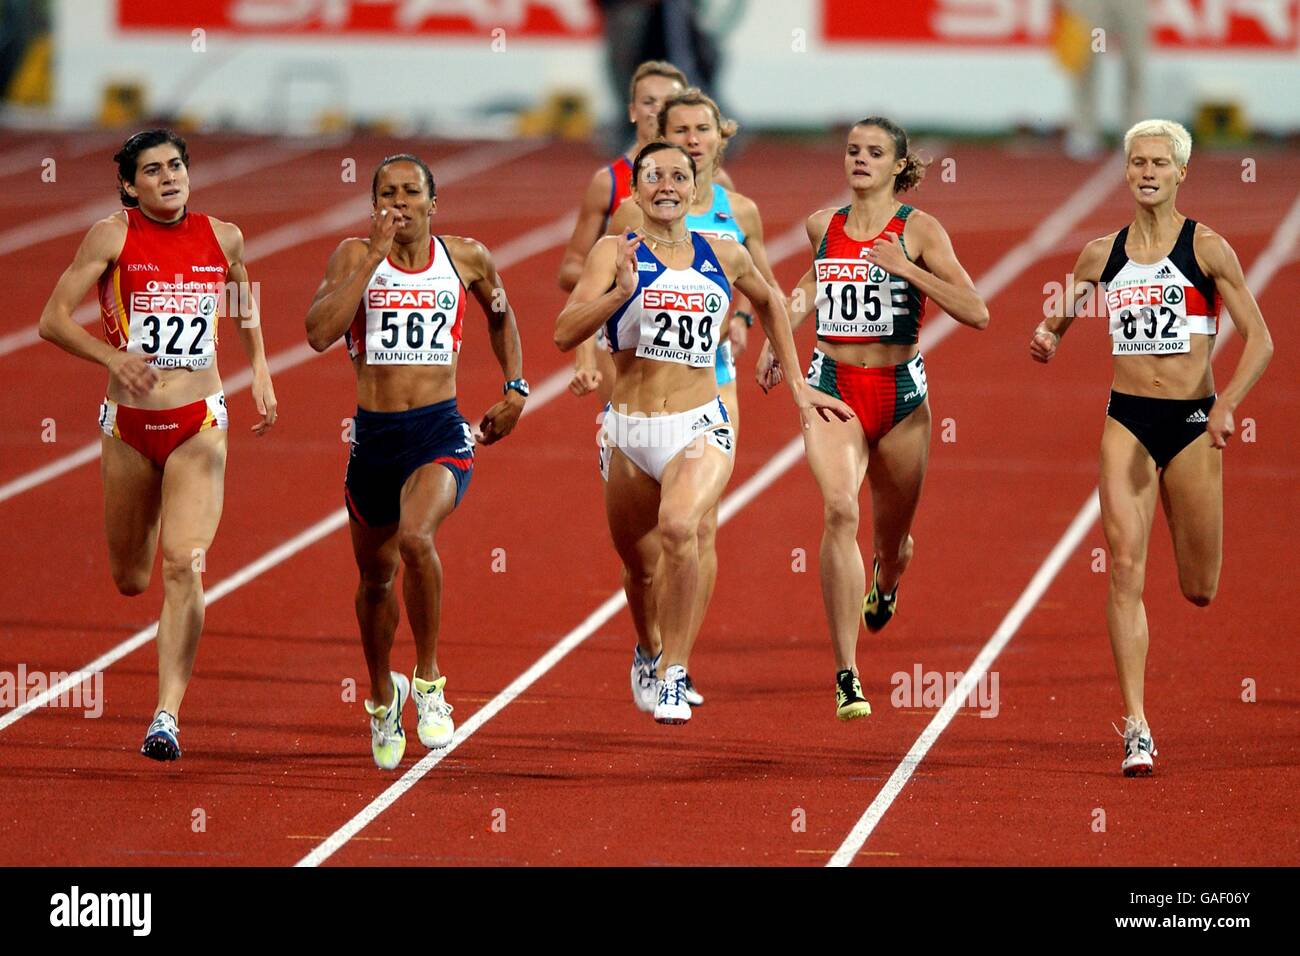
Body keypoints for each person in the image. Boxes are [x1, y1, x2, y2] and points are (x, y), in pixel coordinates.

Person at [555, 141, 853, 725]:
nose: (666, 185)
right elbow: (566, 332)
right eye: (653, 176)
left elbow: (771, 300)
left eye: (677, 176)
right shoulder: (613, 251)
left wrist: (796, 382)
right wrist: (617, 293)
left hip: (699, 422)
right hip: (628, 432)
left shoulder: (726, 252)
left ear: (695, 190)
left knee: (680, 526)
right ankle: (648, 651)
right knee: (639, 570)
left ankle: (674, 672)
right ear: (636, 190)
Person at [1030, 119, 1272, 776]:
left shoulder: (1209, 249)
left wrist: (1226, 407)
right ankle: (1136, 725)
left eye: (1158, 163)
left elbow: (1262, 340)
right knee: (1125, 569)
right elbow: (1062, 311)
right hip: (1128, 421)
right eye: (1137, 162)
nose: (1146, 172)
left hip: (1194, 421)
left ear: (1180, 172)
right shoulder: (1102, 253)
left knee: (1200, 588)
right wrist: (1049, 335)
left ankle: (1146, 701)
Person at [37, 128, 278, 761]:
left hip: (200, 420)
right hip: (128, 426)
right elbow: (52, 319)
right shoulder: (111, 236)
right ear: (128, 183)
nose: (169, 177)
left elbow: (242, 299)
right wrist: (109, 358)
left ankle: (166, 715)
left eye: (176, 166)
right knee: (130, 575)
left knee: (183, 563)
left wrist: (259, 367)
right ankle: (146, 571)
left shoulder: (223, 236)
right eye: (153, 170)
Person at [757, 117, 988, 722]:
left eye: (875, 152)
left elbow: (977, 310)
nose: (860, 159)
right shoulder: (822, 225)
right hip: (832, 386)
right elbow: (813, 284)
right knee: (839, 508)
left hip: (901, 399)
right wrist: (776, 343)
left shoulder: (920, 230)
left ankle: (885, 582)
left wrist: (907, 268)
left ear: (897, 166)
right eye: (853, 150)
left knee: (891, 540)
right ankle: (847, 674)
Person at [305, 154, 526, 770]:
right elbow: (319, 333)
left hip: (438, 430)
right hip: (374, 440)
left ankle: (428, 681)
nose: (399, 203)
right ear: (373, 203)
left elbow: (502, 314)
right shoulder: (353, 257)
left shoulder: (467, 258)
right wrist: (372, 259)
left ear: (435, 202)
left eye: (411, 192)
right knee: (374, 581)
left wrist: (516, 388)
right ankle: (382, 694)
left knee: (416, 538)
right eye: (386, 194)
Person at [606, 87, 782, 706]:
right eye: (676, 131)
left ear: (717, 137)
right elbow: (600, 292)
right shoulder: (640, 212)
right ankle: (651, 645)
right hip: (639, 394)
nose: (689, 141)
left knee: (695, 527)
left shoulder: (740, 213)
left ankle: (678, 664)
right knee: (643, 554)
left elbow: (763, 290)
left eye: (700, 131)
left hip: (715, 383)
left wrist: (748, 331)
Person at [558, 60, 733, 403]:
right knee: (627, 430)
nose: (658, 111)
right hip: (628, 329)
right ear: (633, 111)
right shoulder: (611, 184)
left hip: (698, 333)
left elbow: (739, 266)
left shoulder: (717, 185)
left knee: (704, 438)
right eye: (649, 102)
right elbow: (574, 271)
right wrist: (618, 282)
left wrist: (738, 316)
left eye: (668, 103)